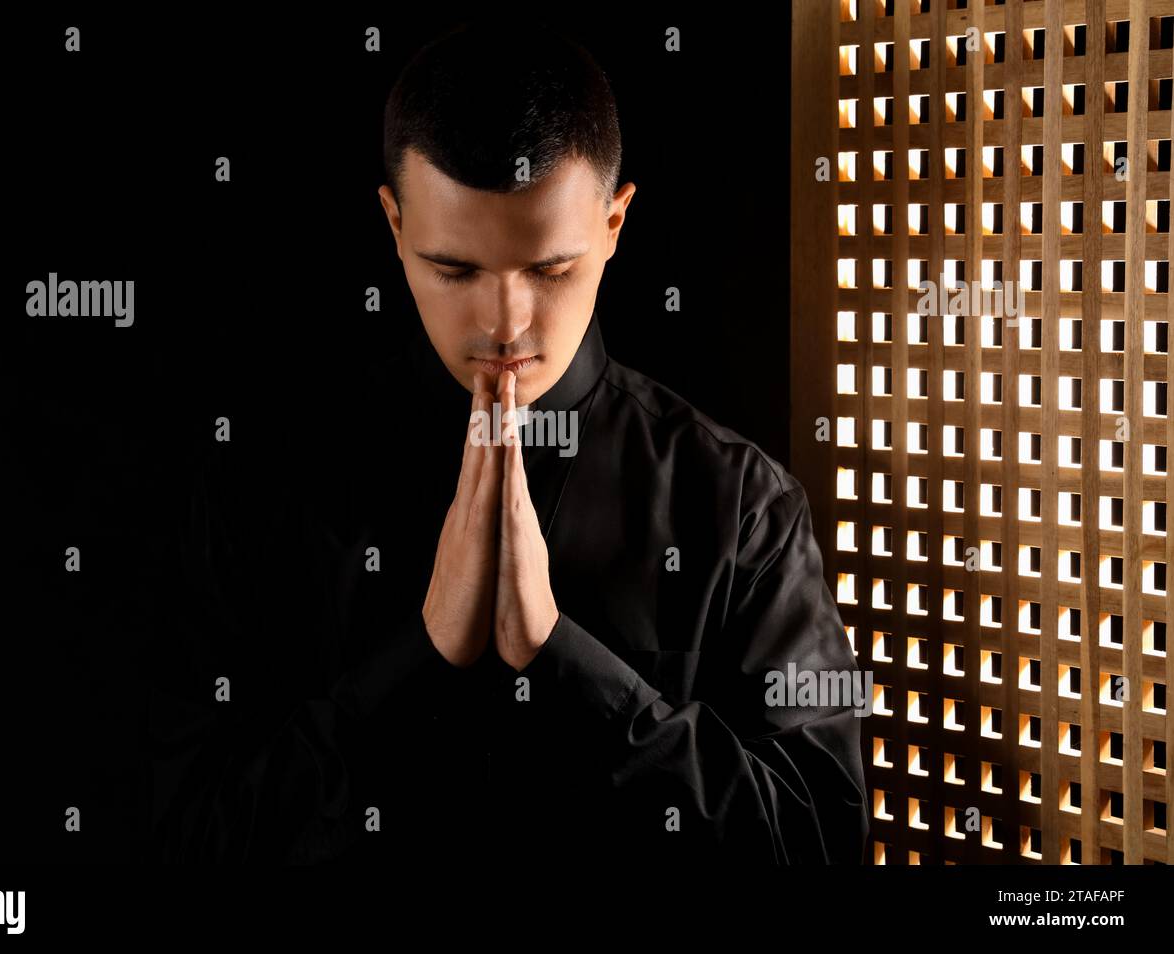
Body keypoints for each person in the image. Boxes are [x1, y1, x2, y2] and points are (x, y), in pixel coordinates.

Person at [149, 18, 869, 869]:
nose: (504, 323)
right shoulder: (261, 490)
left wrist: (563, 657)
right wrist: (419, 657)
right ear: (392, 222)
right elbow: (179, 838)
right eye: (454, 270)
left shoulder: (742, 505)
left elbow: (824, 846)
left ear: (614, 223)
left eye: (550, 270)